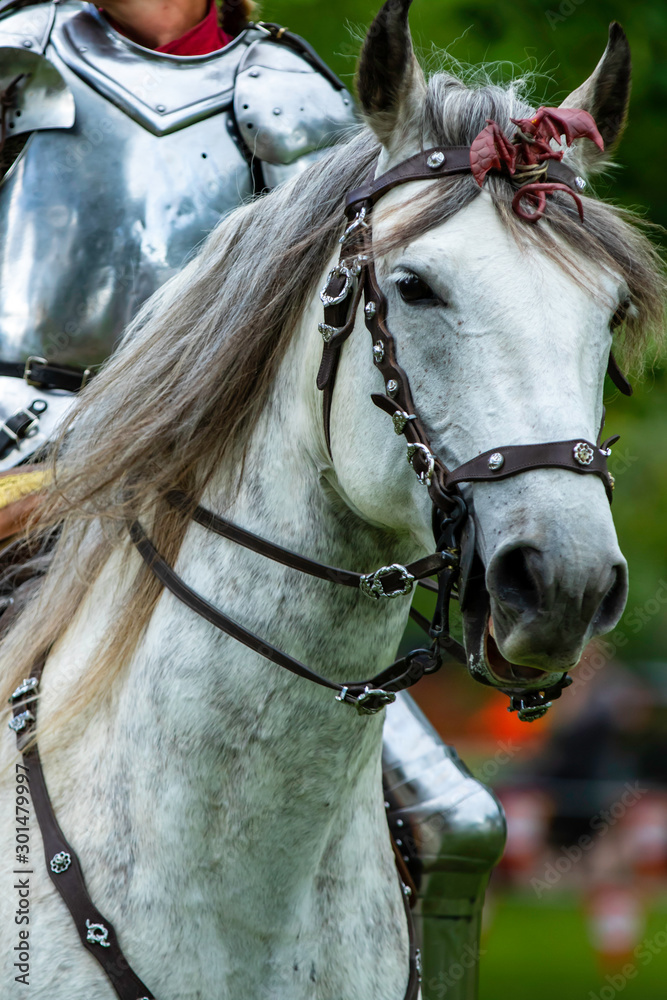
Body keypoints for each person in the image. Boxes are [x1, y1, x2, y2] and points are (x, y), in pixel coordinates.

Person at [0, 1, 505, 993]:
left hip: (196, 483)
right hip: (13, 463)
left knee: (459, 820)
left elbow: (317, 322)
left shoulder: (287, 96)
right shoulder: (15, 60)